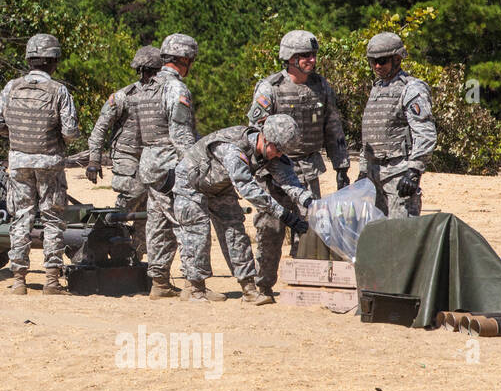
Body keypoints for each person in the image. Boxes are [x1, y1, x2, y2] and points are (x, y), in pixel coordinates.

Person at [246, 29, 350, 300]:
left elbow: (333, 127)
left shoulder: (322, 86)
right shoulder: (270, 88)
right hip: (274, 172)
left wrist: (342, 167)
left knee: (309, 229)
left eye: (313, 55)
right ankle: (263, 287)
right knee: (270, 229)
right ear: (289, 58)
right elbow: (255, 132)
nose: (311, 60)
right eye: (304, 55)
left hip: (309, 168)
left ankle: (302, 286)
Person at [172, 114, 315, 305]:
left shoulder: (271, 151)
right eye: (278, 149)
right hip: (190, 185)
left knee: (236, 232)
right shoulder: (232, 149)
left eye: (283, 151)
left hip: (220, 187)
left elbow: (290, 182)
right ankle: (196, 289)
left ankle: (248, 289)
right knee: (197, 231)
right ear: (265, 138)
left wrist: (310, 204)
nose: (279, 154)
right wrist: (284, 214)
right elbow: (248, 188)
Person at [0, 33, 81, 295]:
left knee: (21, 218)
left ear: (30, 59)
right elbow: (71, 132)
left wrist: (18, 138)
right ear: (54, 61)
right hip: (49, 163)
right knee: (53, 219)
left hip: (19, 162)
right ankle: (51, 280)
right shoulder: (58, 90)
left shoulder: (12, 87)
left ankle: (19, 279)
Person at [86, 46, 164, 260]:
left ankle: (135, 257)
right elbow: (100, 127)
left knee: (150, 208)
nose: (150, 75)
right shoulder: (123, 96)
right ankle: (105, 230)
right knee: (135, 190)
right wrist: (94, 159)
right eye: (147, 71)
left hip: (154, 157)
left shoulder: (165, 94)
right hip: (126, 155)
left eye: (154, 71)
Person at [136, 33, 199, 299]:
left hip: (150, 164)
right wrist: (196, 163)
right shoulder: (175, 88)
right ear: (184, 59)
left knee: (158, 223)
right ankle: (194, 286)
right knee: (185, 222)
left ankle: (159, 282)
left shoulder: (148, 86)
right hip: (171, 165)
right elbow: (180, 133)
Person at [358, 32, 437, 217]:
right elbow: (369, 134)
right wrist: (363, 170)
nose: (377, 66)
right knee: (377, 236)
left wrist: (414, 170)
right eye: (373, 61)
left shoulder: (412, 88)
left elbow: (425, 133)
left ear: (397, 59)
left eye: (383, 61)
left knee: (401, 236)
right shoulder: (377, 88)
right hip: (373, 175)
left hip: (399, 176)